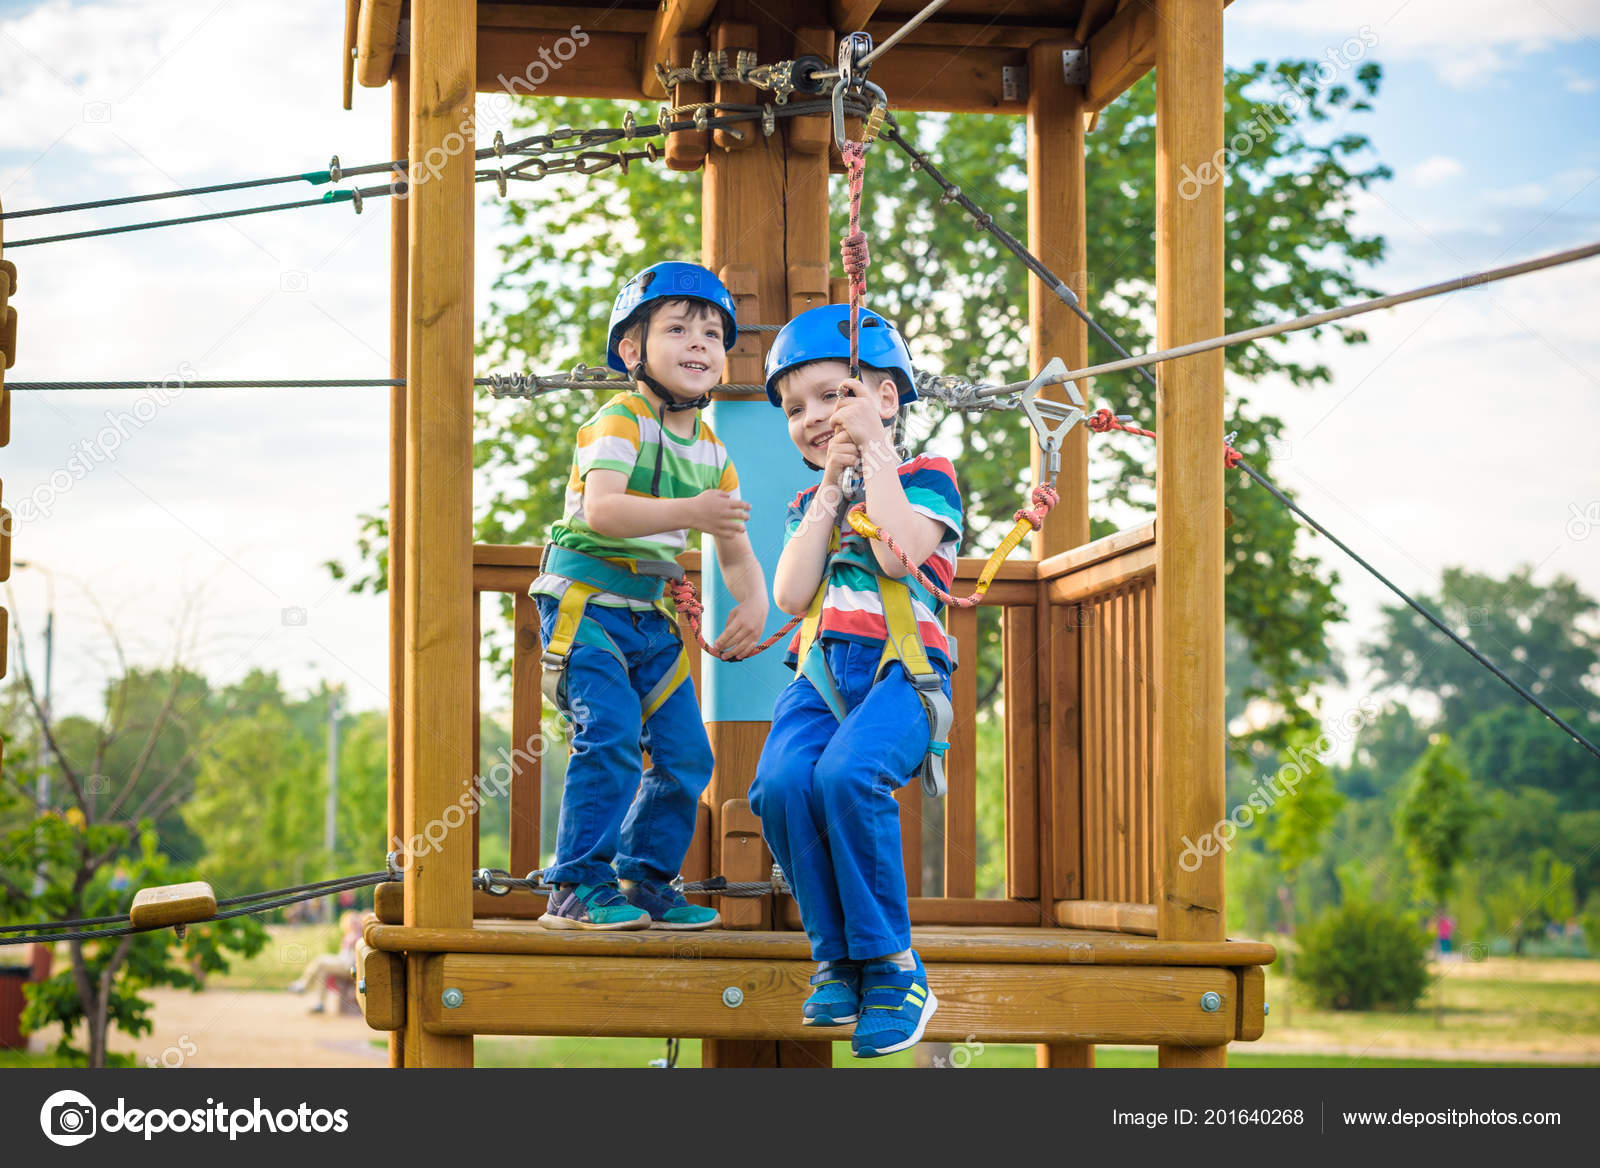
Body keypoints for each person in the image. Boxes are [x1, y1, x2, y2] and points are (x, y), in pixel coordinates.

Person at [748, 304, 962, 1058]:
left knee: (847, 776)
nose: (812, 417)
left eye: (835, 394)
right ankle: (837, 958)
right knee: (778, 785)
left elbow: (904, 555)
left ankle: (895, 967)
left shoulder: (927, 479)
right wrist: (832, 493)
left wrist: (874, 457)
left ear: (888, 399)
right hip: (822, 676)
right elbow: (792, 595)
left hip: (903, 671)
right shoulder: (811, 503)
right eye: (794, 408)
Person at [530, 260, 769, 931]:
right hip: (588, 606)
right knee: (607, 736)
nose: (699, 342)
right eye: (678, 328)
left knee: (687, 753)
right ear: (632, 351)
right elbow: (604, 512)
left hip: (648, 620)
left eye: (713, 334)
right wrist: (692, 511)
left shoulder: (716, 454)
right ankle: (575, 885)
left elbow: (733, 546)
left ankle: (640, 879)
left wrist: (752, 602)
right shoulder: (621, 420)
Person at [289, 911, 362, 1013]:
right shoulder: (348, 936)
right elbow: (342, 956)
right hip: (343, 964)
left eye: (354, 921)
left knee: (320, 961)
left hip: (350, 968)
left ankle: (303, 984)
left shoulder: (359, 935)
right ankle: (320, 1004)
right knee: (322, 971)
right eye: (350, 922)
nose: (352, 924)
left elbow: (349, 958)